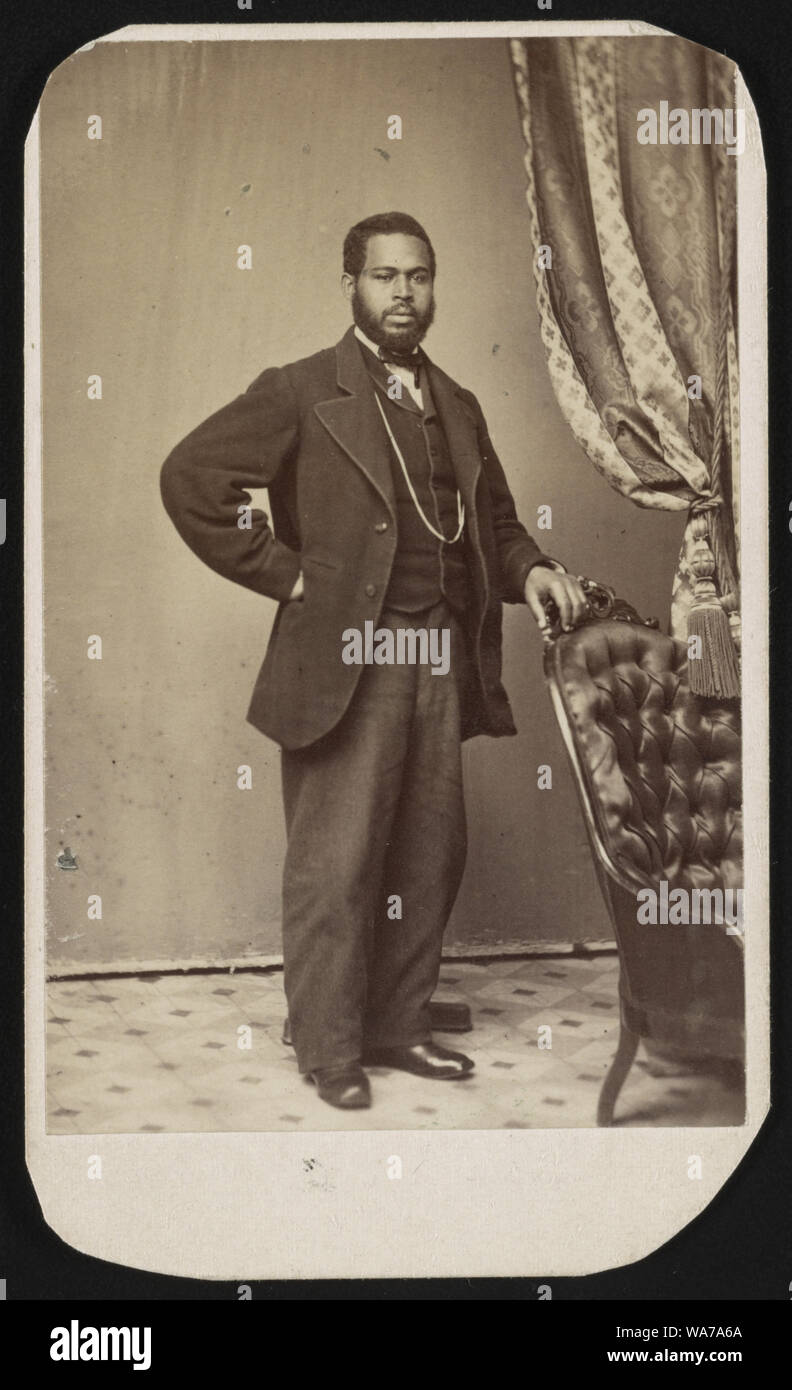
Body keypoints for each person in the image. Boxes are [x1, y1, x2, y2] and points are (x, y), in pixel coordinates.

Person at [160, 211, 587, 1110]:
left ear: (434, 287)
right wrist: (287, 575)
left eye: (419, 276)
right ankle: (330, 1048)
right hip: (344, 661)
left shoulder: (459, 406)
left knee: (430, 851)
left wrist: (535, 568)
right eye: (385, 276)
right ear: (350, 284)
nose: (404, 292)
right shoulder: (301, 389)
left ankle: (397, 1027)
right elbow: (191, 476)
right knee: (338, 861)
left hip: (439, 654)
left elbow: (497, 526)